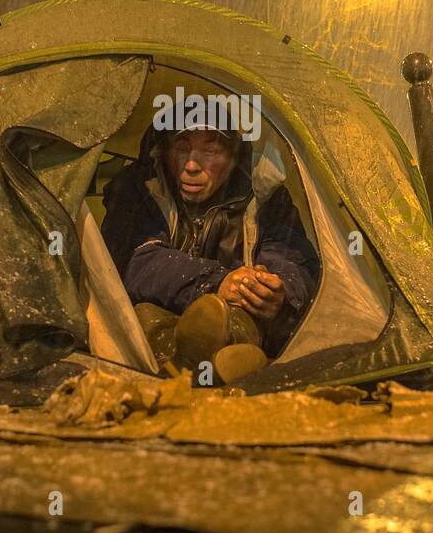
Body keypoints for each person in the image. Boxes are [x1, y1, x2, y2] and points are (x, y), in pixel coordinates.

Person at [101, 118, 321, 383]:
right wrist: (215, 282)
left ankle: (203, 363)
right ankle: (213, 365)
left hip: (239, 317)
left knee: (242, 316)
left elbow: (293, 258)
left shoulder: (265, 194)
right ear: (164, 150)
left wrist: (279, 291)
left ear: (232, 156)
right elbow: (135, 259)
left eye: (210, 152)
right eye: (182, 149)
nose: (192, 166)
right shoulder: (139, 186)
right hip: (155, 317)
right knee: (144, 313)